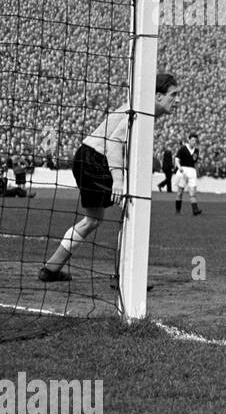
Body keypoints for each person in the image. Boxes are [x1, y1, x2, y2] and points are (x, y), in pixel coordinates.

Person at [39, 72, 181, 282]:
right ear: (158, 95)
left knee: (93, 220)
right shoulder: (141, 110)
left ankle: (51, 269)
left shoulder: (142, 109)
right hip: (95, 159)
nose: (177, 100)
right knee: (133, 210)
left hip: (86, 155)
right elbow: (115, 141)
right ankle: (127, 278)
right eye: (174, 94)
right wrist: (118, 179)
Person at [175, 133, 202, 215]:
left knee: (192, 192)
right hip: (183, 170)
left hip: (192, 171)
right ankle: (178, 210)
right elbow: (177, 159)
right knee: (180, 192)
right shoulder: (183, 149)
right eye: (193, 140)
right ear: (189, 140)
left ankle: (195, 210)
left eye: (195, 141)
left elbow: (195, 161)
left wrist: (198, 168)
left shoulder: (196, 150)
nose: (194, 142)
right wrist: (180, 169)